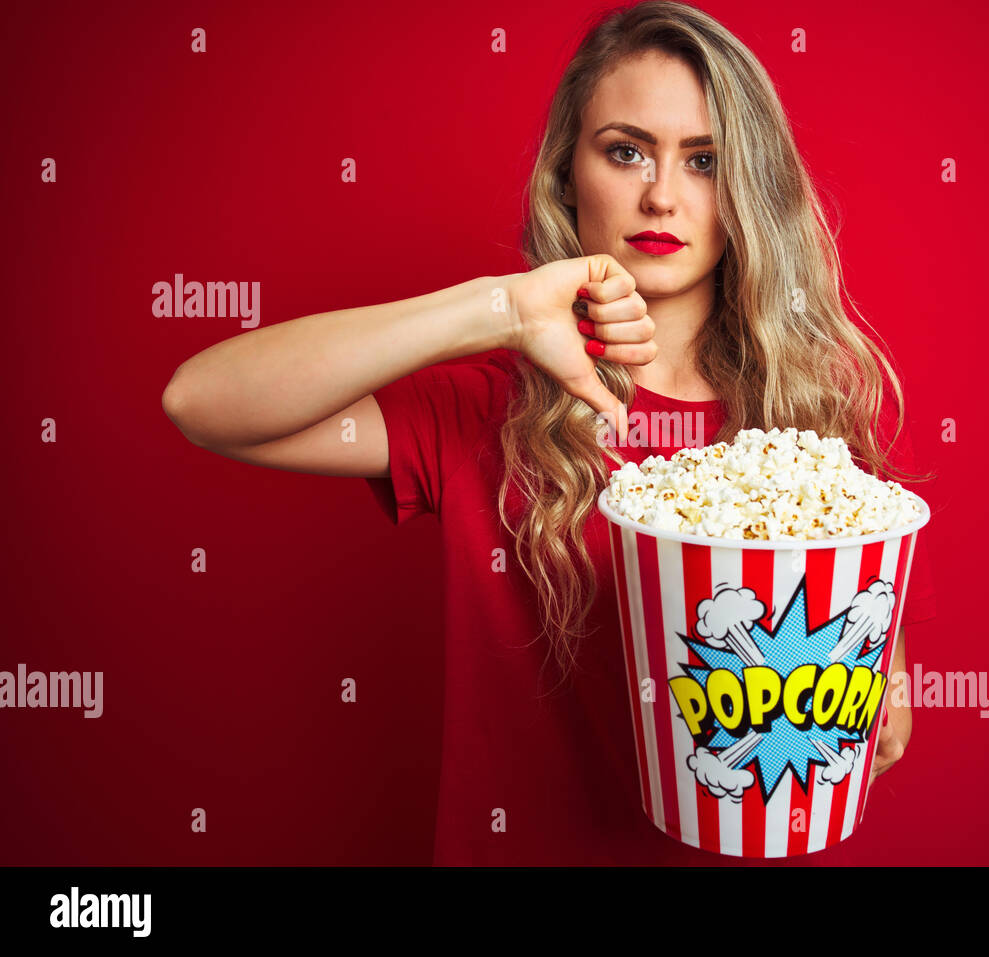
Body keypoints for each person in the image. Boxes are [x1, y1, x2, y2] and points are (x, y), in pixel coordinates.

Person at [161, 0, 938, 865]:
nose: (661, 194)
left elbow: (866, 646)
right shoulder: (486, 406)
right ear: (569, 172)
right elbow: (203, 399)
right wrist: (496, 306)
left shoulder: (804, 431)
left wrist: (886, 682)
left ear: (748, 186)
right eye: (625, 149)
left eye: (705, 160)